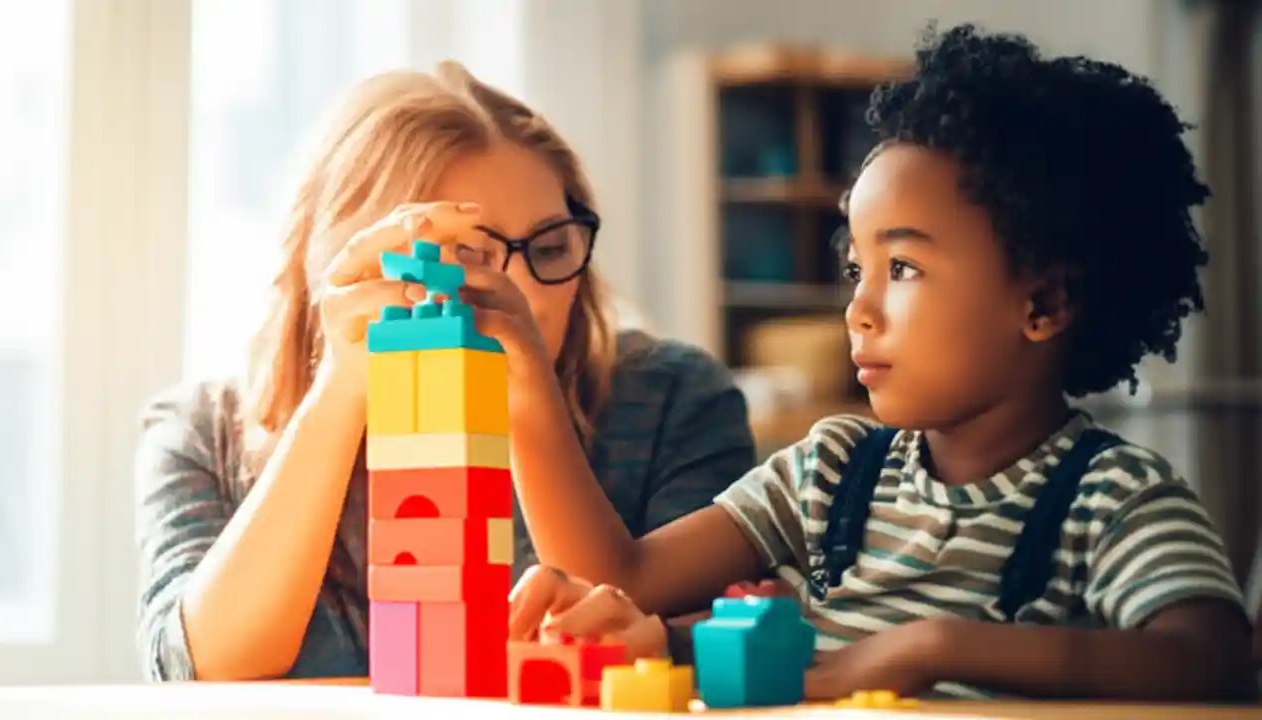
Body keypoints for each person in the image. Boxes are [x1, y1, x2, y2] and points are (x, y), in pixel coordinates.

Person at [507, 23, 1257, 703]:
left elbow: (1213, 657)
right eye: (856, 268)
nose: (857, 309)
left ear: (1044, 304)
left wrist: (933, 646)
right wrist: (526, 387)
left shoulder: (1114, 498)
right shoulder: (827, 473)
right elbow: (623, 579)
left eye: (902, 268)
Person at [132, 62, 757, 681]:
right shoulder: (200, 434)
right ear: (337, 263)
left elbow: (669, 651)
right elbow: (200, 668)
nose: (522, 295)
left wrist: (527, 405)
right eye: (463, 256)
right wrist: (342, 391)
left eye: (548, 249)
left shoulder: (672, 397)